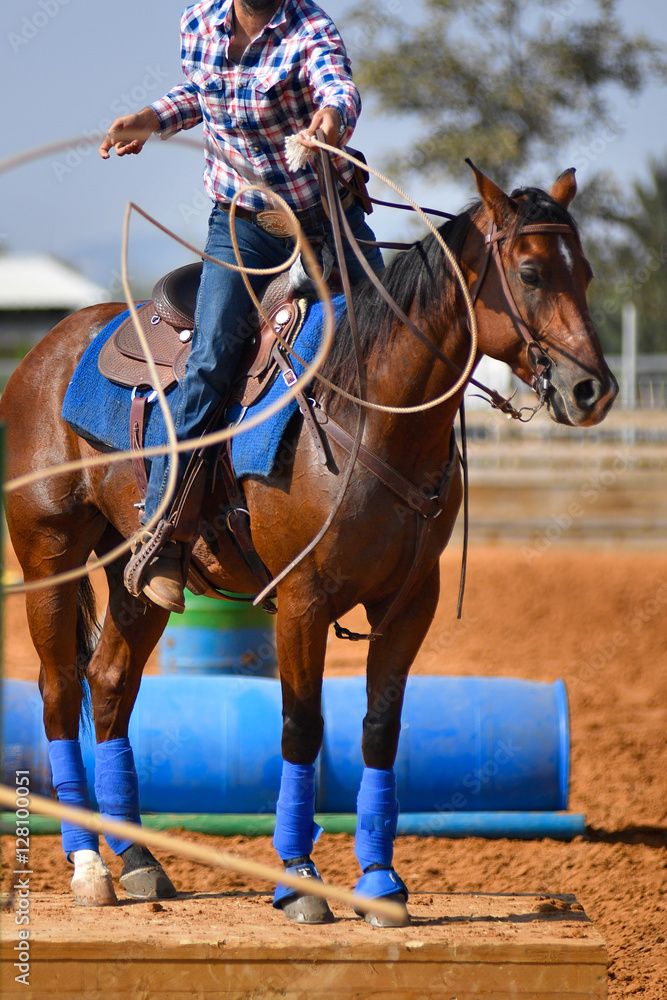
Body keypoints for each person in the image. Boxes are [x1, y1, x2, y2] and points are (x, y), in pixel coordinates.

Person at [99, 0, 384, 614]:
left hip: (323, 209)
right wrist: (153, 118)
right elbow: (200, 93)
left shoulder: (309, 26)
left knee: (385, 330)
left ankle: (410, 494)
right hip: (242, 221)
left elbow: (338, 88)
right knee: (210, 357)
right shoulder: (199, 21)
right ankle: (163, 527)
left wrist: (329, 125)